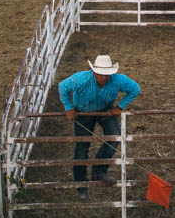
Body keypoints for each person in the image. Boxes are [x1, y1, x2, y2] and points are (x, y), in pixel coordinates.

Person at [58, 54, 141, 199]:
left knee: (114, 137)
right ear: (94, 72)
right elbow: (63, 86)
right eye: (102, 75)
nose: (105, 78)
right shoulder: (81, 79)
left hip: (105, 110)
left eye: (108, 75)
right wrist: (69, 108)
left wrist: (120, 107)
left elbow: (135, 89)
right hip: (83, 112)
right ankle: (81, 183)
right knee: (82, 147)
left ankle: (99, 170)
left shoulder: (118, 80)